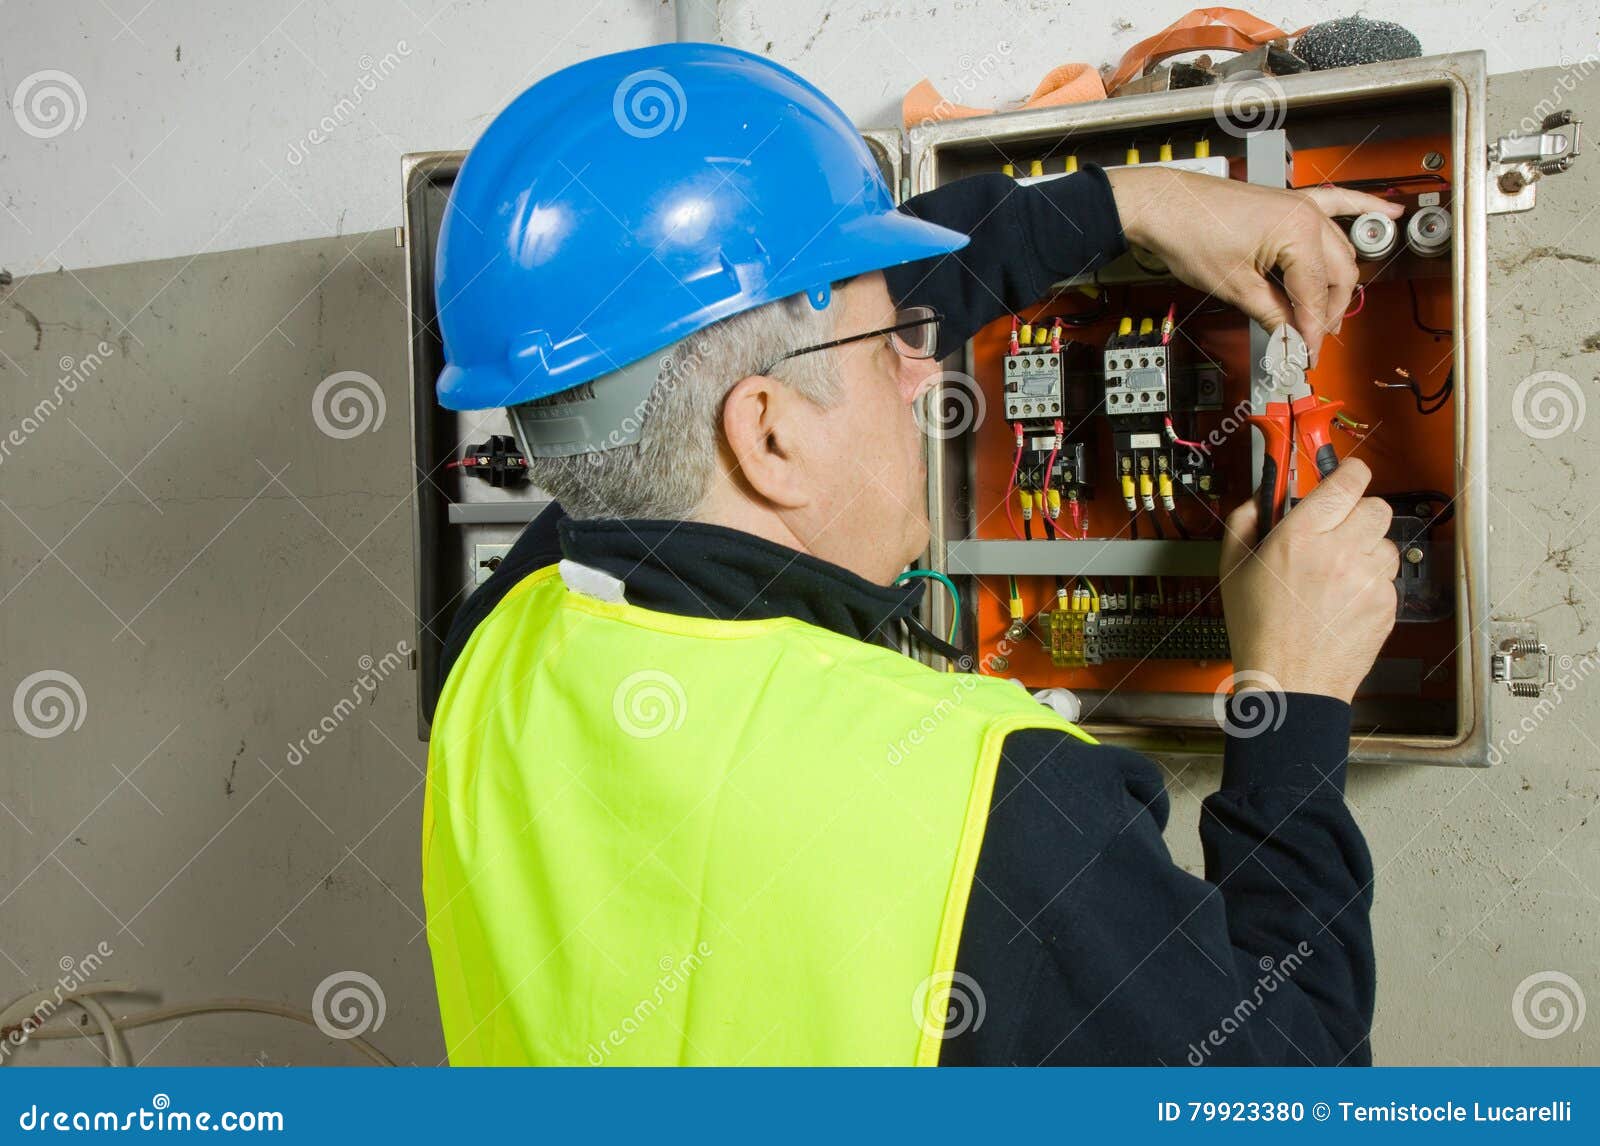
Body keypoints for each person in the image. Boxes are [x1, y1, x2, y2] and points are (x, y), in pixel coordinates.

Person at [421, 42, 1402, 1066]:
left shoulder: (494, 658)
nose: (928, 372)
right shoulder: (988, 804)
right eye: (892, 340)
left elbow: (688, 367)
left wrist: (1131, 204)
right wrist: (1290, 700)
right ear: (769, 436)